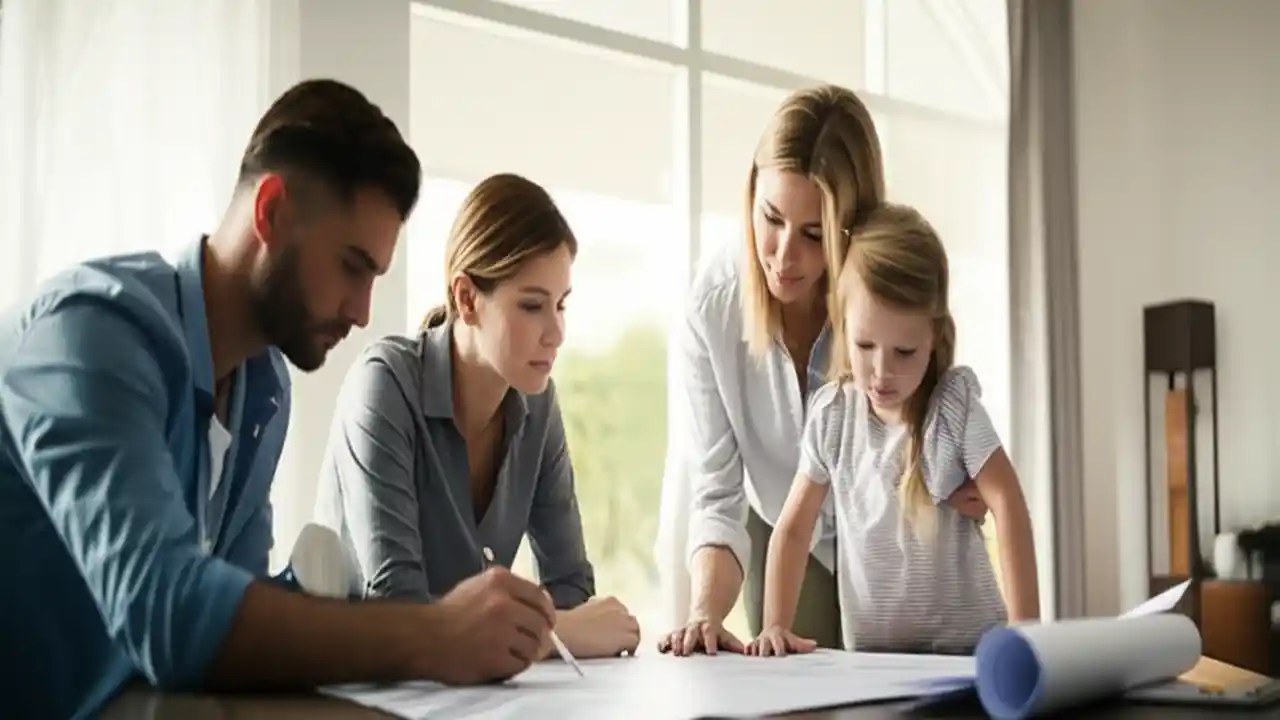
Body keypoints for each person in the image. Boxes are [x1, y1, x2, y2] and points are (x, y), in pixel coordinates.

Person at [0, 79, 556, 720]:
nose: (362, 309)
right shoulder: (92, 332)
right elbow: (168, 615)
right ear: (271, 212)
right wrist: (435, 634)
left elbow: (234, 644)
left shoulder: (263, 388)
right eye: (352, 266)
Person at [656, 85, 988, 656]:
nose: (785, 256)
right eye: (772, 219)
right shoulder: (713, 305)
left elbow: (935, 417)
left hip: (891, 530)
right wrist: (704, 612)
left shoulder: (879, 299)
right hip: (784, 524)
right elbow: (717, 491)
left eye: (814, 236)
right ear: (750, 196)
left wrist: (960, 472)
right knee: (791, 680)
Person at [314, 172, 641, 660]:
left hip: (465, 694)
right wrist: (556, 636)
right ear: (467, 299)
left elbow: (570, 585)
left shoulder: (537, 401)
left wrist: (546, 628)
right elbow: (397, 608)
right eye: (532, 305)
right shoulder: (383, 384)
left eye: (561, 305)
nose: (556, 333)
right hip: (356, 690)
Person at [746, 204, 1039, 657]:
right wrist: (774, 625)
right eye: (865, 346)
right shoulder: (832, 416)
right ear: (843, 325)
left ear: (934, 336)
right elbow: (793, 530)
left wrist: (1027, 632)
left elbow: (1009, 502)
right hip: (875, 666)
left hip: (969, 656)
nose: (881, 373)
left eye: (904, 351)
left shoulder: (953, 409)